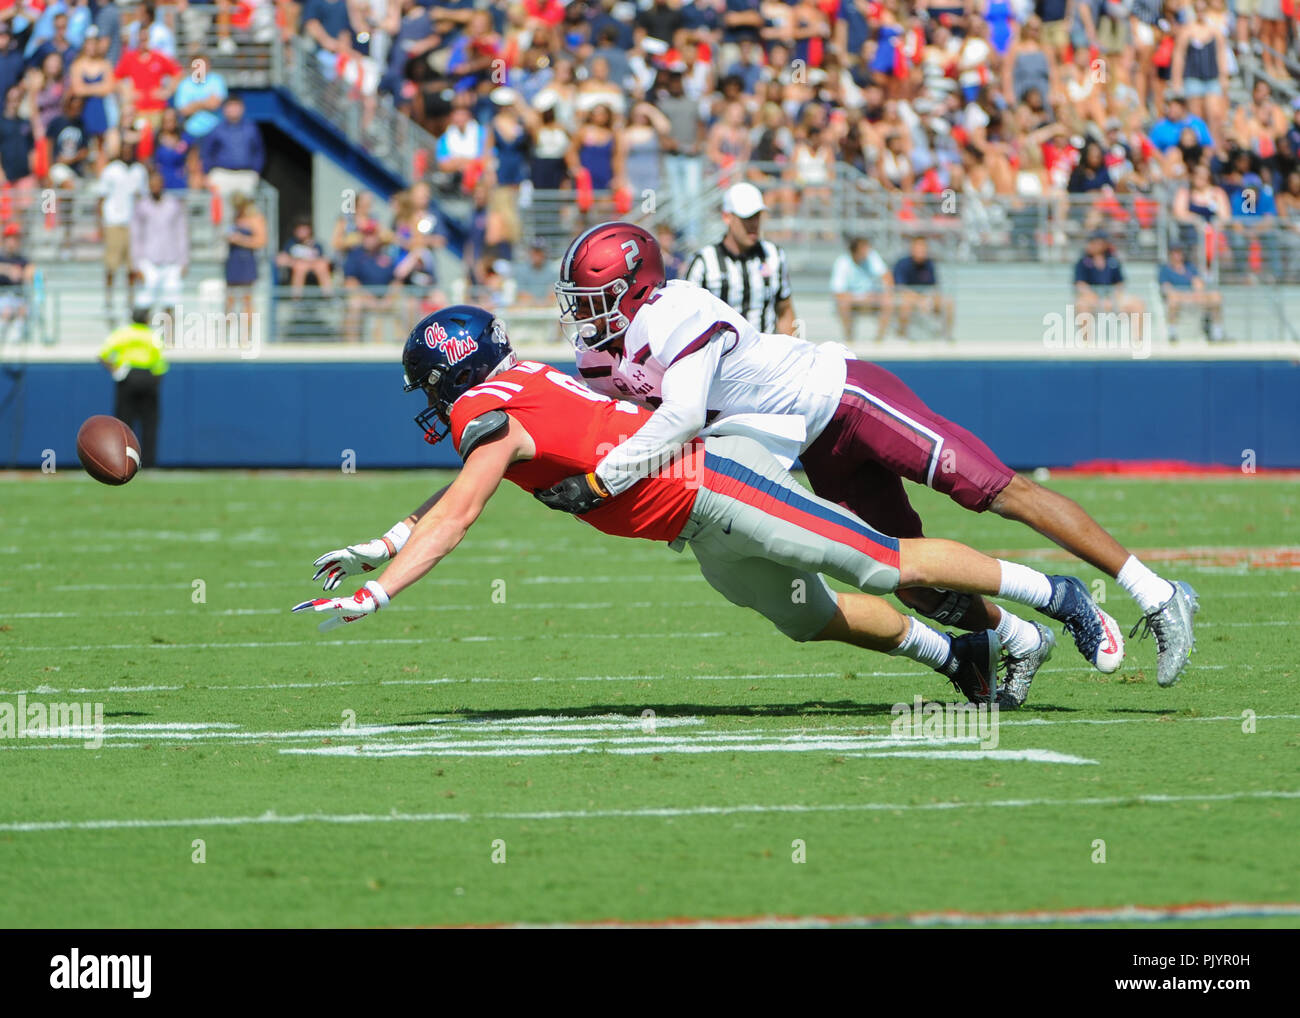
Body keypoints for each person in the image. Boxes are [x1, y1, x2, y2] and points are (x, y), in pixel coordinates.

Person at [297, 305, 1108, 707]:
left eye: (431, 386)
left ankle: (1057, 596)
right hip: (694, 519)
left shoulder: (489, 412)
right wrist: (387, 538)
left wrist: (384, 588)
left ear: (452, 374)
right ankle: (957, 657)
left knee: (883, 561)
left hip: (717, 481)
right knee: (805, 617)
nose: (433, 403)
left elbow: (462, 512)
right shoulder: (514, 396)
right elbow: (469, 482)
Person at [552, 223, 1200, 696]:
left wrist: (603, 478)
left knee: (992, 489)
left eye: (591, 296)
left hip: (844, 396)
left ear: (635, 288)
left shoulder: (679, 310)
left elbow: (682, 414)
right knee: (904, 576)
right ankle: (1016, 639)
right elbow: (625, 425)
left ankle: (1155, 591)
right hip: (805, 446)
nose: (581, 314)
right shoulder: (598, 357)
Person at [685, 182, 794, 334]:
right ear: (727, 217)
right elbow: (688, 317)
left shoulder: (773, 255)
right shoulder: (703, 262)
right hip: (722, 356)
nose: (754, 224)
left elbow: (784, 310)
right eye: (747, 218)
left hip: (765, 354)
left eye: (757, 216)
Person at [97, 306, 168, 467]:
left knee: (123, 424)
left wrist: (115, 370)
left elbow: (103, 355)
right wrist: (155, 382)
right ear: (146, 319)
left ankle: (122, 463)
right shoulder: (153, 336)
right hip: (148, 377)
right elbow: (160, 365)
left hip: (127, 378)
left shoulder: (122, 333)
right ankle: (149, 463)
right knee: (149, 423)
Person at [95, 138, 147, 317]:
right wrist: (100, 224)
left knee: (131, 268)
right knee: (111, 265)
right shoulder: (111, 170)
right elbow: (101, 197)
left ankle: (129, 301)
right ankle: (108, 301)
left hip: (132, 223)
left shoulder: (139, 171)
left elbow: (142, 198)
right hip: (114, 221)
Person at [130, 168, 188, 318]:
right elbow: (136, 236)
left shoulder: (173, 205)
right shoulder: (142, 206)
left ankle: (167, 337)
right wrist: (136, 264)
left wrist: (183, 260)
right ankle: (146, 337)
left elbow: (181, 233)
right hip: (149, 259)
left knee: (170, 301)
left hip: (171, 259)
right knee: (145, 300)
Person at [201, 96, 264, 213]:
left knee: (247, 213)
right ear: (224, 109)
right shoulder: (217, 129)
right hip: (223, 175)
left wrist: (256, 172)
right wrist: (207, 173)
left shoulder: (251, 128)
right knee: (223, 213)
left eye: (236, 106)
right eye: (230, 106)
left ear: (242, 108)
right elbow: (207, 152)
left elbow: (258, 151)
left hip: (246, 175)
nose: (233, 110)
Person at [829, 235, 893, 344]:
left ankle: (879, 340)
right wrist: (861, 297)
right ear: (855, 251)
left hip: (870, 298)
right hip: (853, 301)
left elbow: (887, 277)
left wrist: (885, 292)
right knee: (844, 303)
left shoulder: (871, 256)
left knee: (888, 300)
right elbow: (838, 293)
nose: (867, 251)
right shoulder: (842, 262)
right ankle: (849, 338)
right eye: (863, 249)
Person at [892, 236, 955, 342]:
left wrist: (928, 300)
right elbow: (900, 289)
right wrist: (919, 300)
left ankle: (946, 336)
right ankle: (902, 336)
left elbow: (934, 287)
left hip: (925, 297)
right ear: (912, 249)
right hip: (907, 297)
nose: (921, 251)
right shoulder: (902, 263)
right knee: (905, 304)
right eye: (918, 247)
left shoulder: (929, 264)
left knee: (948, 302)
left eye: (923, 248)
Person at [1072, 229, 1145, 320]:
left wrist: (1112, 298)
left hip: (1111, 297)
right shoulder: (1082, 262)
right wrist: (1097, 299)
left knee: (1137, 304)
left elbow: (1119, 283)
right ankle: (1087, 334)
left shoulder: (1113, 261)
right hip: (1091, 298)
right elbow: (1081, 285)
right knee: (1082, 306)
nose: (1092, 245)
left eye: (1097, 243)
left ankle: (1138, 335)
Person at [1158, 246, 1224, 343]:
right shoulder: (1165, 269)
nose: (1178, 255)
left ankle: (1217, 333)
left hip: (1193, 296)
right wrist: (1184, 295)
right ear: (1170, 254)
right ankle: (1172, 333)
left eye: (1179, 253)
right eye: (1175, 253)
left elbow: (1198, 282)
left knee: (1216, 296)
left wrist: (1197, 292)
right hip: (1178, 296)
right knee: (1173, 299)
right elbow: (1166, 288)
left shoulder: (1189, 267)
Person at [225, 192, 265, 315]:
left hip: (246, 260)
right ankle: (227, 330)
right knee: (229, 298)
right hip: (233, 259)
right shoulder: (236, 217)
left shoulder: (255, 218)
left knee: (246, 299)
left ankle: (246, 333)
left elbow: (261, 241)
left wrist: (241, 239)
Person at [276, 218, 334, 296]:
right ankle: (296, 299)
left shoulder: (316, 245)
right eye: (299, 229)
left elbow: (324, 259)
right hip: (297, 272)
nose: (301, 232)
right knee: (300, 266)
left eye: (304, 229)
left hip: (314, 273)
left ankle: (329, 296)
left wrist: (308, 262)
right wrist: (294, 262)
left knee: (321, 266)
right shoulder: (290, 244)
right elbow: (280, 259)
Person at [0, 223, 33, 342]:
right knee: (6, 310)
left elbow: (31, 273)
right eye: (10, 238)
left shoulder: (23, 259)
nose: (12, 241)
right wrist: (8, 269)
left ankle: (17, 336)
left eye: (15, 238)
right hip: (3, 297)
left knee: (23, 309)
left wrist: (23, 273)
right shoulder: (1, 257)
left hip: (18, 298)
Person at [510, 237, 556, 306]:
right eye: (535, 251)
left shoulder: (553, 269)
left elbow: (553, 294)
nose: (537, 254)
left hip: (547, 307)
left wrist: (542, 303)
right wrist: (537, 303)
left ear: (545, 253)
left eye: (539, 251)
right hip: (527, 308)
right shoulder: (521, 270)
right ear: (529, 252)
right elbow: (521, 294)